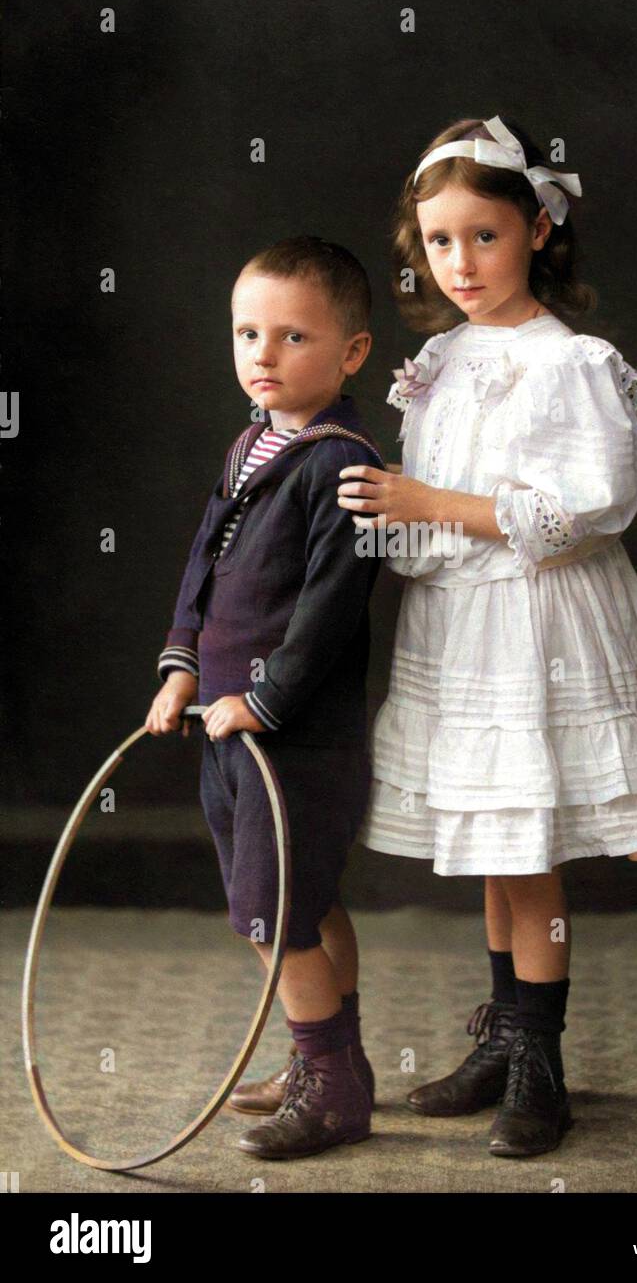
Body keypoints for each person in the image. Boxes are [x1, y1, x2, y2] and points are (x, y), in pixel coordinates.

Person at [337, 115, 637, 1158]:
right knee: (496, 852)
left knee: (532, 848)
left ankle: (542, 1063)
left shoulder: (570, 362)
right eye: (439, 242)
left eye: (484, 237)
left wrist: (431, 501)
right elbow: (424, 506)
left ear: (538, 228)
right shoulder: (437, 362)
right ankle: (505, 1037)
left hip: (539, 621)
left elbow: (593, 505)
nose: (459, 263)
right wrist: (392, 521)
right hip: (463, 621)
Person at [145, 235, 386, 1160]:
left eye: (292, 337)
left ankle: (331, 1090)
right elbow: (204, 563)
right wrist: (182, 668)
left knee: (272, 911)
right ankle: (332, 1060)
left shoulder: (343, 464)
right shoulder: (252, 443)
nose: (263, 356)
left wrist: (264, 697)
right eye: (249, 334)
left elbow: (332, 609)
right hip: (224, 726)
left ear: (351, 353)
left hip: (295, 737)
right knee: (305, 902)